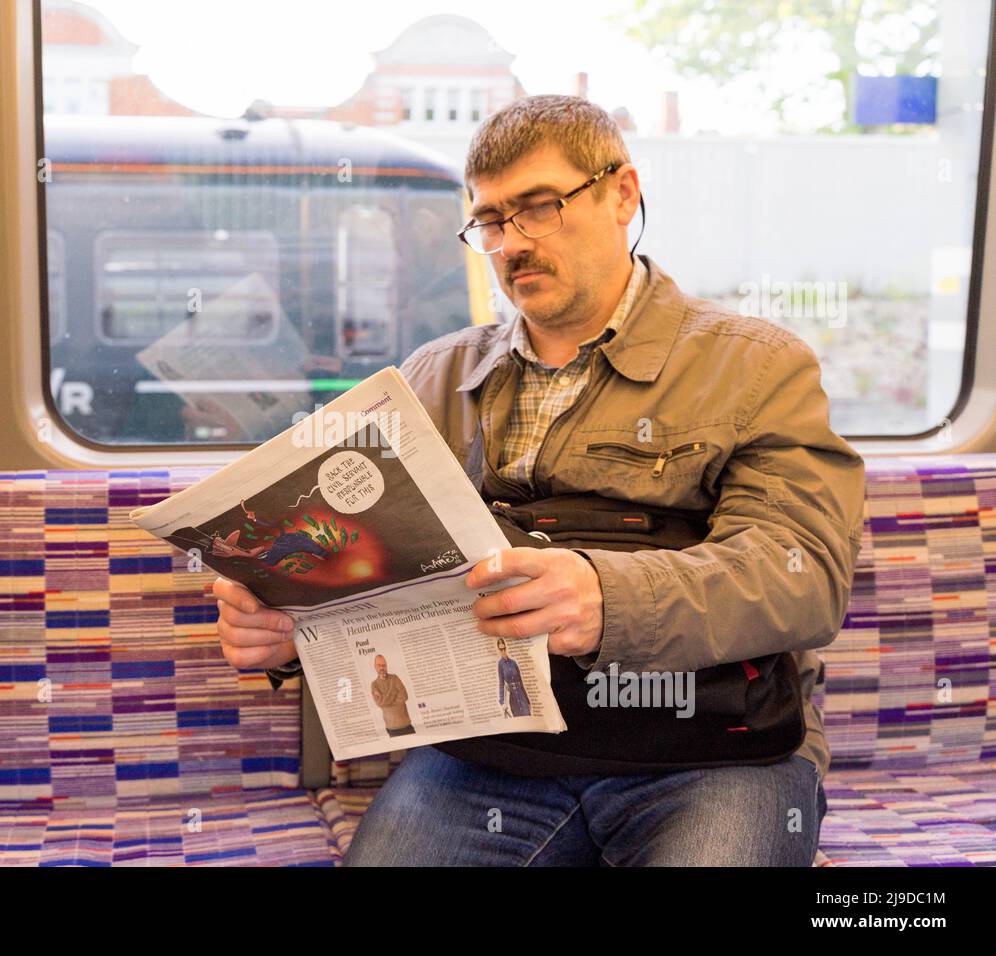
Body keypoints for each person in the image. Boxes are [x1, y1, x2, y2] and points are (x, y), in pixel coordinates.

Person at [211, 94, 864, 866]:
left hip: (712, 753)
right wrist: (293, 625)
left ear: (623, 193)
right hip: (492, 755)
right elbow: (371, 566)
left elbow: (804, 577)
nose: (512, 242)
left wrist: (606, 597)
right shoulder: (433, 378)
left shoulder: (754, 366)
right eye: (491, 221)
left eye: (540, 207)